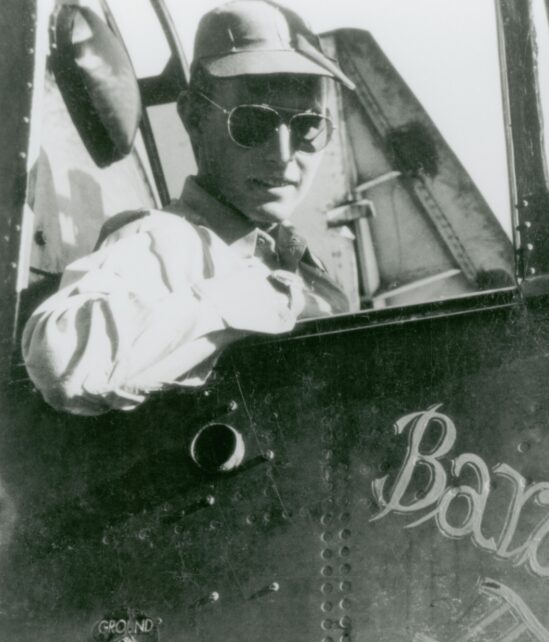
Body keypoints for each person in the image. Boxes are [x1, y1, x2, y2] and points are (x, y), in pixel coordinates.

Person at [22, 0, 355, 416]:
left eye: (307, 125)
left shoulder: (296, 262)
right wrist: (248, 299)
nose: (283, 154)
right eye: (253, 123)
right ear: (193, 117)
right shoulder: (166, 241)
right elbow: (61, 357)